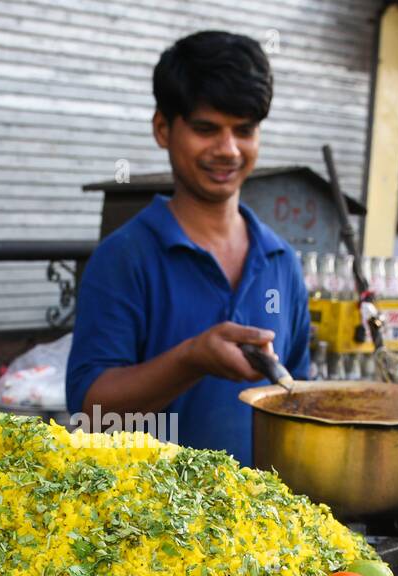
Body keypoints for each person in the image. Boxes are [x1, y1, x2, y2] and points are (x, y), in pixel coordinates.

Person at [66, 31, 310, 467]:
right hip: (146, 524)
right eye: (206, 129)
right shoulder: (124, 258)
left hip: (260, 527)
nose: (228, 150)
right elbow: (93, 416)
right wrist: (191, 358)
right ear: (163, 128)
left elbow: (299, 401)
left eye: (245, 130)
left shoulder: (282, 262)